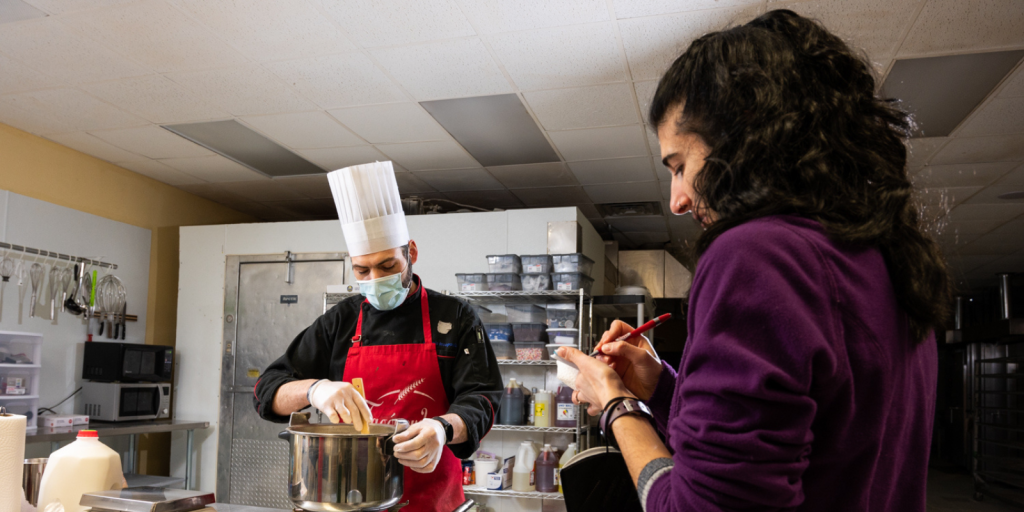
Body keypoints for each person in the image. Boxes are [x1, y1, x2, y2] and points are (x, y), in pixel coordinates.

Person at [559, 9, 950, 512]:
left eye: (680, 166)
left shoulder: (757, 255)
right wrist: (660, 387)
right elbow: (798, 431)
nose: (677, 200)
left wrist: (616, 405)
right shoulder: (885, 254)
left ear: (740, 141)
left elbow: (699, 506)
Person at [253, 161, 504, 512]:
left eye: (387, 266)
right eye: (362, 270)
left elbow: (483, 399)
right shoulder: (341, 320)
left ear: (410, 254)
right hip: (351, 497)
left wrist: (442, 429)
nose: (375, 279)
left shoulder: (455, 316)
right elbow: (267, 391)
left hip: (431, 498)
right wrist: (314, 389)